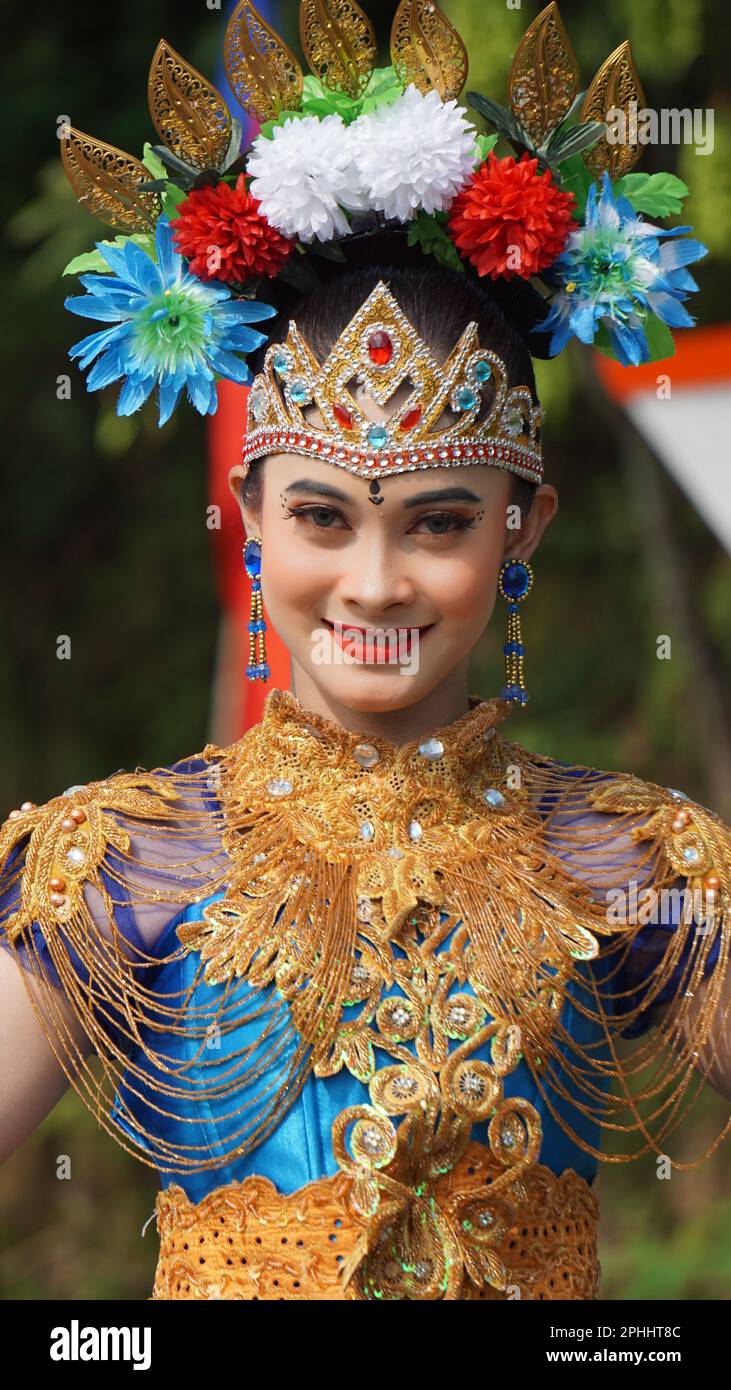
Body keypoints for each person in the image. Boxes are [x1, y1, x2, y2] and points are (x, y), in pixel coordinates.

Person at [1, 1, 729, 1302]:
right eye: (324, 519)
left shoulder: (632, 857)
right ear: (253, 526)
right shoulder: (123, 857)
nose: (376, 582)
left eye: (439, 523)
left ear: (523, 526)